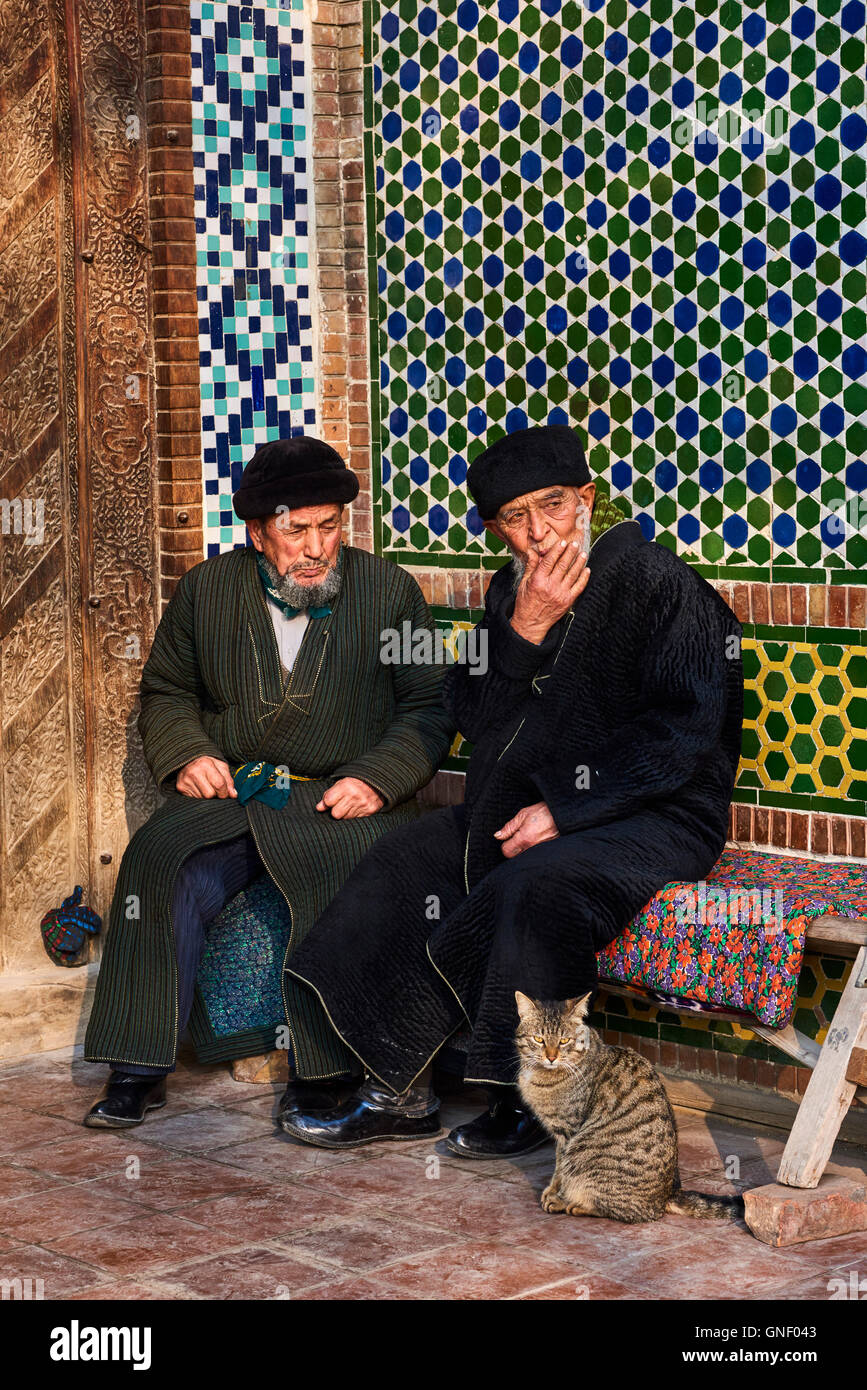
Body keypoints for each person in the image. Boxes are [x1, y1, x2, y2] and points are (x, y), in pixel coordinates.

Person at [279, 423, 744, 1157]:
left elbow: (683, 737)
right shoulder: (511, 593)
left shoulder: (659, 583)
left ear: (586, 500)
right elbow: (473, 714)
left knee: (532, 887)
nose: (538, 533)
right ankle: (391, 1085)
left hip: (657, 818)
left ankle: (524, 1099)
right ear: (496, 529)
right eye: (515, 518)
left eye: (553, 507)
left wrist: (567, 808)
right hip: (524, 809)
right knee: (403, 861)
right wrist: (524, 629)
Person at [82, 437, 455, 1128]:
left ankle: (325, 1073)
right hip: (239, 792)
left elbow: (427, 707)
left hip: (341, 798)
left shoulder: (388, 590)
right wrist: (188, 753)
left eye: (330, 526)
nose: (316, 547)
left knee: (338, 875)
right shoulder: (206, 589)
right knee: (161, 861)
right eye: (296, 529)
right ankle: (138, 1063)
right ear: (257, 533)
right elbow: (166, 690)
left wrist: (378, 777)